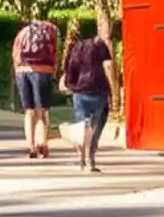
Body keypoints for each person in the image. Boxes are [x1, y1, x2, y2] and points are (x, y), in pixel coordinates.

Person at [64, 32, 115, 172]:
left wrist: (70, 84)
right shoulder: (100, 45)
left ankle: (81, 159)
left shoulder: (75, 47)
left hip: (80, 90)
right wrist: (112, 91)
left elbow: (70, 68)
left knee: (82, 125)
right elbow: (108, 67)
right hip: (99, 89)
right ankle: (90, 158)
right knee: (95, 124)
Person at [12, 18, 59, 159]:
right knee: (42, 111)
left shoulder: (23, 32)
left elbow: (15, 53)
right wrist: (54, 72)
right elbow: (54, 53)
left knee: (29, 111)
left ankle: (31, 146)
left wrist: (17, 71)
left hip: (22, 71)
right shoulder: (50, 31)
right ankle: (42, 144)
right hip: (43, 70)